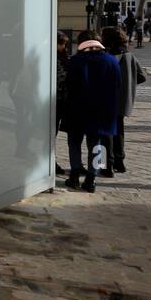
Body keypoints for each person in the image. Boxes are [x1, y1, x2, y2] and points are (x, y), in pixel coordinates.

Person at [63, 31, 121, 193]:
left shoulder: (75, 61)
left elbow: (68, 85)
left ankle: (74, 175)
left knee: (74, 143)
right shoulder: (111, 61)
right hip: (103, 110)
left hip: (77, 109)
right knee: (97, 145)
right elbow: (117, 86)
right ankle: (91, 179)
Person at [101, 26, 144, 174]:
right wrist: (129, 83)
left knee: (106, 132)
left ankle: (107, 164)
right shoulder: (129, 55)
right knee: (119, 130)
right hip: (123, 100)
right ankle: (120, 162)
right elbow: (142, 76)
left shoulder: (105, 55)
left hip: (107, 99)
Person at [55, 31, 70, 176]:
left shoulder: (63, 56)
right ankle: (50, 162)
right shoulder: (55, 57)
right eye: (62, 44)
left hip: (59, 100)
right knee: (50, 132)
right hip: (54, 100)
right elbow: (61, 78)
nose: (63, 47)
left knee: (53, 132)